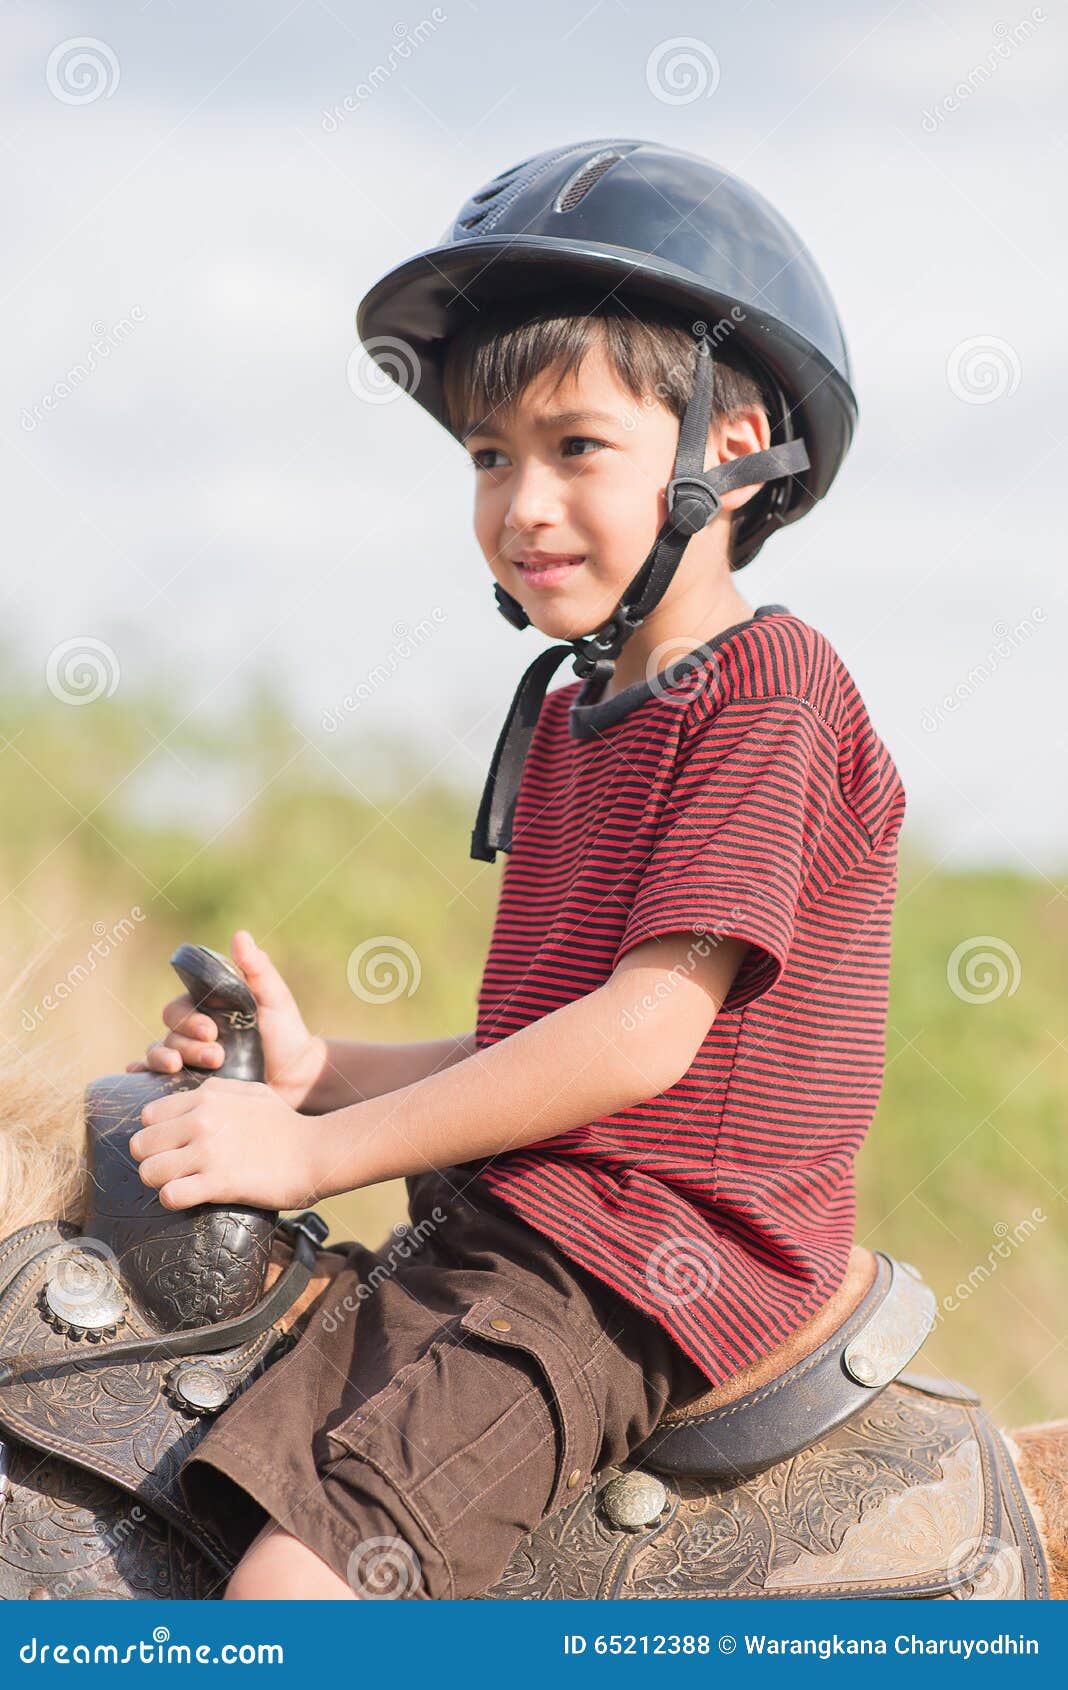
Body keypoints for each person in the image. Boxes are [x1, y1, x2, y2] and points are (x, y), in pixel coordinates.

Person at [125, 139, 906, 1600]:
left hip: (631, 1271)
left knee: (298, 1594)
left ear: (733, 445)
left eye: (577, 448)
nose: (521, 503)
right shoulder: (576, 712)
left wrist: (310, 1155)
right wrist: (324, 1068)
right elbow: (537, 1047)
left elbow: (638, 1038)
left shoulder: (772, 689)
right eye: (491, 457)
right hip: (517, 1225)